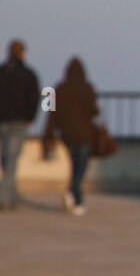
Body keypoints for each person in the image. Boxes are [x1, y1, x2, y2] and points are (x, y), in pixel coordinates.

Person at [43, 57, 99, 216]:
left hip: (67, 134)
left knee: (74, 166)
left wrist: (48, 136)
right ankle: (75, 198)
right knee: (80, 168)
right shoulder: (88, 88)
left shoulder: (60, 88)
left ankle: (71, 193)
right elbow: (94, 111)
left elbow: (51, 114)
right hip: (85, 134)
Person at [0, 39, 41, 211]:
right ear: (23, 53)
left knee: (6, 159)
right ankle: (5, 198)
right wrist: (30, 117)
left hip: (2, 120)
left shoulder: (2, 72)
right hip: (19, 122)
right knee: (12, 160)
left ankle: (11, 196)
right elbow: (34, 98)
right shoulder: (28, 74)